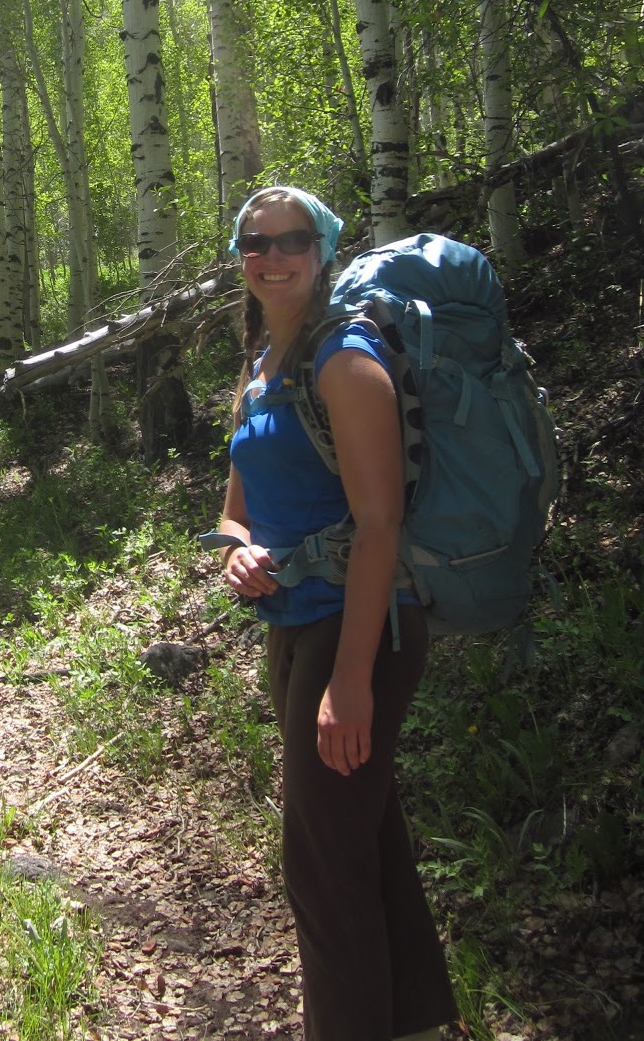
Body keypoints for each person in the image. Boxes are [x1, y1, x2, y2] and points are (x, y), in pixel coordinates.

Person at [212, 185, 457, 1041]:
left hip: (365, 630)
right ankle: (419, 1018)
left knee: (321, 865)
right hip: (291, 628)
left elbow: (381, 519)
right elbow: (234, 508)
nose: (269, 256)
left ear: (322, 252)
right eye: (253, 242)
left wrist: (350, 680)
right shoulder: (261, 370)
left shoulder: (346, 359)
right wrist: (235, 547)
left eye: (289, 240)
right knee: (365, 836)